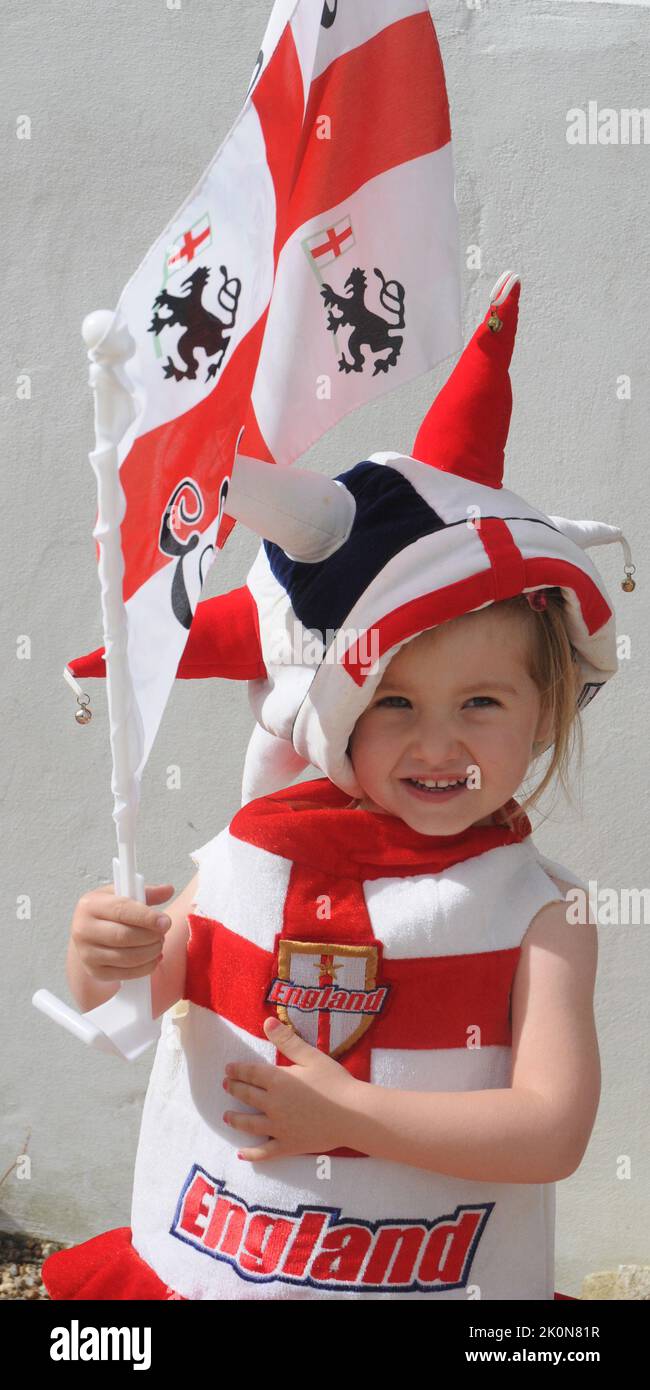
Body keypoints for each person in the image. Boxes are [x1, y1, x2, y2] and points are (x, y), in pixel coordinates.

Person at [42, 274, 635, 1300]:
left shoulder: (543, 911)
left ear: (548, 704)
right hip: (220, 1267)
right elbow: (144, 996)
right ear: (326, 717)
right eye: (390, 703)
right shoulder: (245, 857)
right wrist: (101, 948)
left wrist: (347, 1117)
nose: (435, 740)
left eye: (481, 702)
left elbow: (550, 1129)